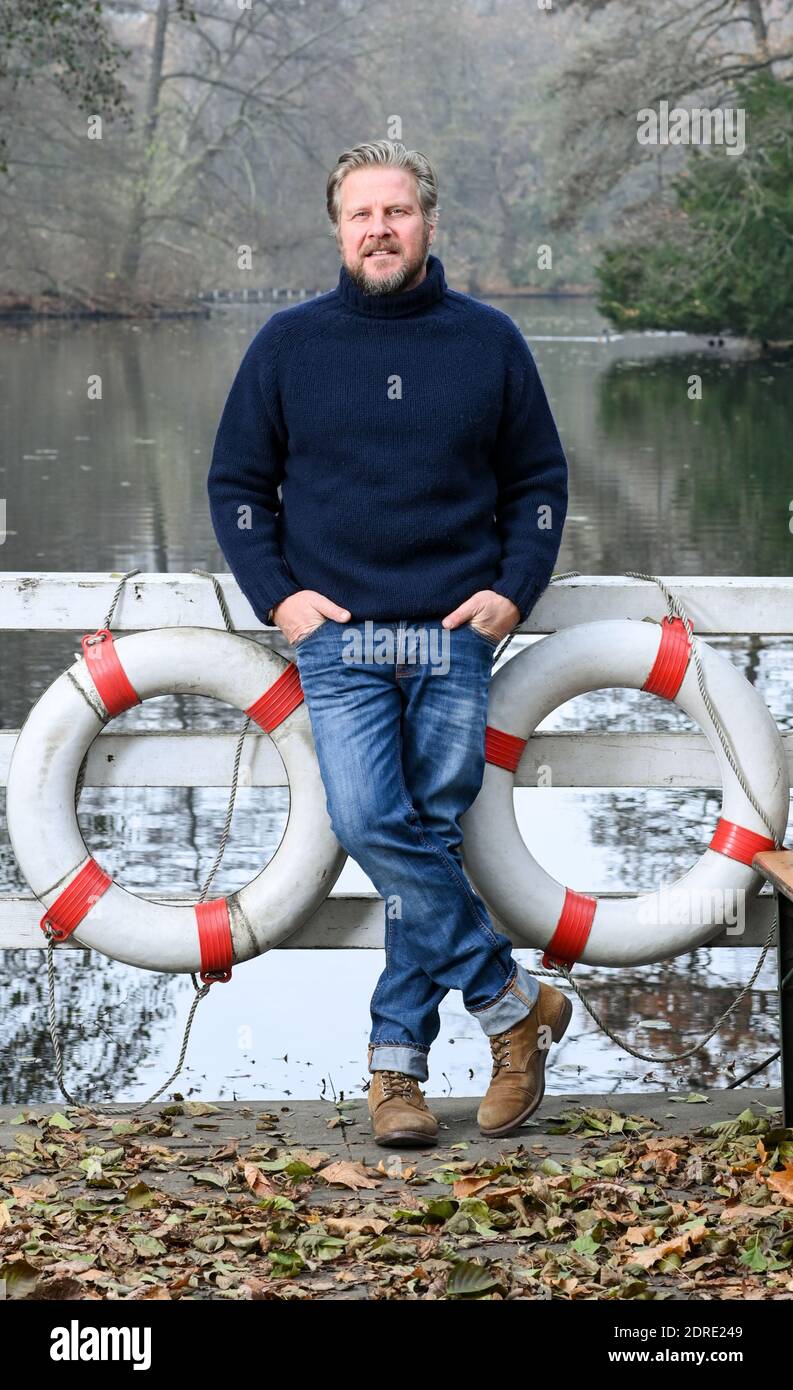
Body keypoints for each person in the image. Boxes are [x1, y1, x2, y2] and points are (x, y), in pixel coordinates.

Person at [207, 138, 571, 1148]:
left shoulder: (488, 341)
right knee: (375, 817)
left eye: (397, 212)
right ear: (337, 227)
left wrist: (512, 590)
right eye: (362, 213)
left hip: (454, 635)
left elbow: (538, 484)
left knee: (429, 838)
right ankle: (512, 1009)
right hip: (340, 639)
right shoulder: (288, 345)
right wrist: (280, 597)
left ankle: (395, 1074)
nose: (380, 229)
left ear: (428, 222)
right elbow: (237, 488)